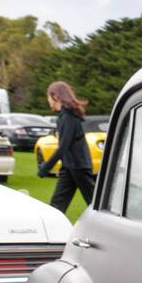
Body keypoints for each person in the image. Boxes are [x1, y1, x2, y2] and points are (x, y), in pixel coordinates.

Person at [37, 81, 95, 214]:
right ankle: (52, 233)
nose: (48, 100)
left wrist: (45, 168)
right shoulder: (65, 117)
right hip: (69, 168)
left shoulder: (68, 118)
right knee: (55, 208)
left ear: (55, 97)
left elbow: (63, 147)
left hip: (79, 168)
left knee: (96, 207)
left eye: (48, 97)